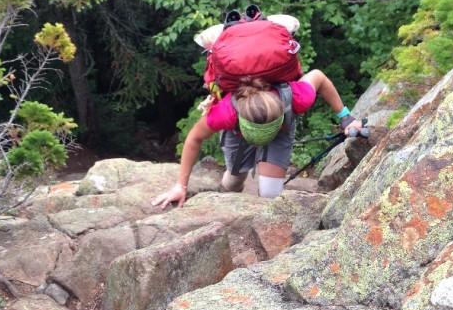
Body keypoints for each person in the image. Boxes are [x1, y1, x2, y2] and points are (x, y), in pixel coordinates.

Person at [151, 69, 363, 210]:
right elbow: (193, 139)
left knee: (270, 196)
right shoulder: (226, 112)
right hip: (237, 134)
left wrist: (346, 117)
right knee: (233, 183)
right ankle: (231, 179)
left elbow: (318, 76)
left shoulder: (295, 97)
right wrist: (180, 186)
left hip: (282, 129)